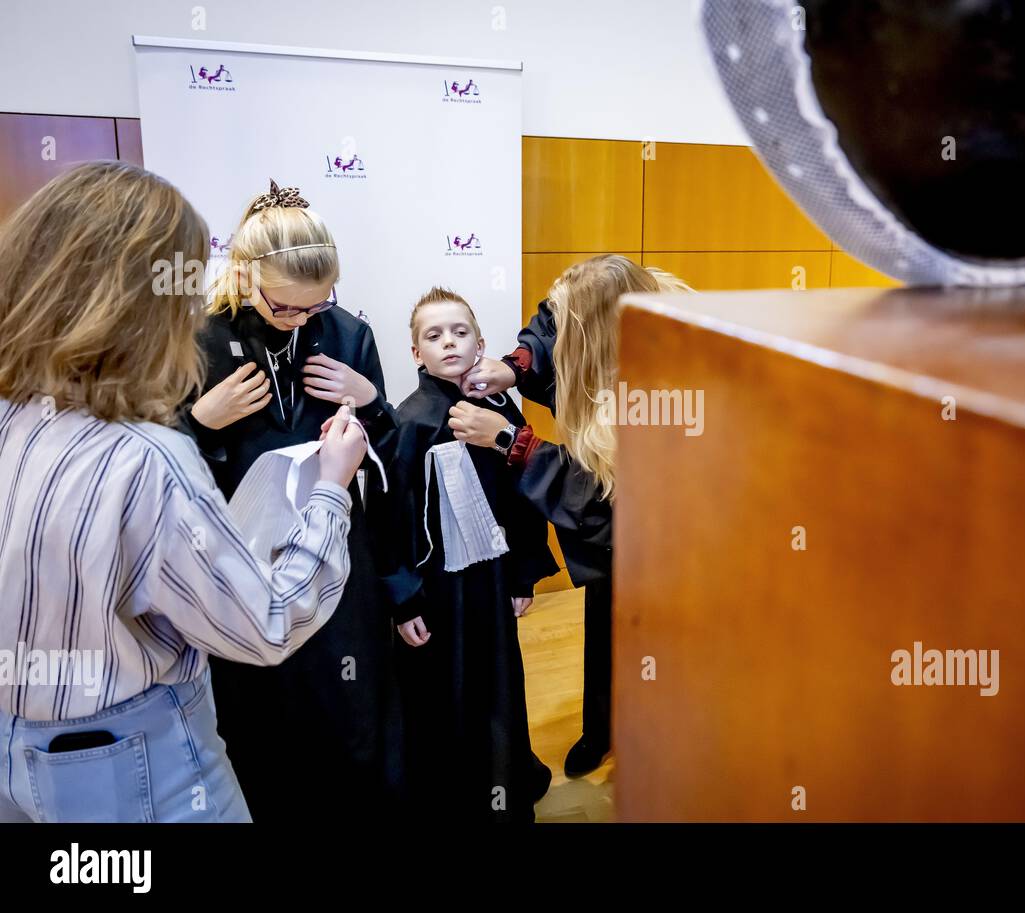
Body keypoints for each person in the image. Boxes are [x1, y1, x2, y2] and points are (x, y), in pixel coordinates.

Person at [0, 161, 368, 823]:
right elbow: (267, 623)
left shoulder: (14, 418)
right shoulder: (148, 457)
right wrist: (332, 491)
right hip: (136, 760)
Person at [178, 179, 404, 821]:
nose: (303, 321)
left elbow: (383, 458)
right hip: (239, 558)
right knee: (259, 712)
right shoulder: (194, 339)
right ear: (245, 276)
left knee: (353, 709)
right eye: (285, 309)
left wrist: (373, 404)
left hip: (337, 546)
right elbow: (155, 470)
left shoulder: (348, 335)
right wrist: (200, 420)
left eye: (316, 306)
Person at [454, 255, 681, 777]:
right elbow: (549, 326)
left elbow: (606, 505)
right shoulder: (618, 302)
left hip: (666, 535)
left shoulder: (662, 387)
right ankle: (601, 731)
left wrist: (513, 441)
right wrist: (514, 366)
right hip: (624, 536)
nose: (556, 339)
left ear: (597, 334)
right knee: (605, 627)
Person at [373, 287, 559, 821]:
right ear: (416, 353)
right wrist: (404, 600)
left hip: (493, 578)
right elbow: (392, 520)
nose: (448, 342)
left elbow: (525, 497)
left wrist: (524, 572)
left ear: (480, 344)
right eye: (434, 335)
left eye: (460, 332)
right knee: (440, 690)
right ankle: (454, 798)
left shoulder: (501, 408)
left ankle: (506, 776)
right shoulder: (408, 422)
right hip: (436, 591)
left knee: (498, 677)